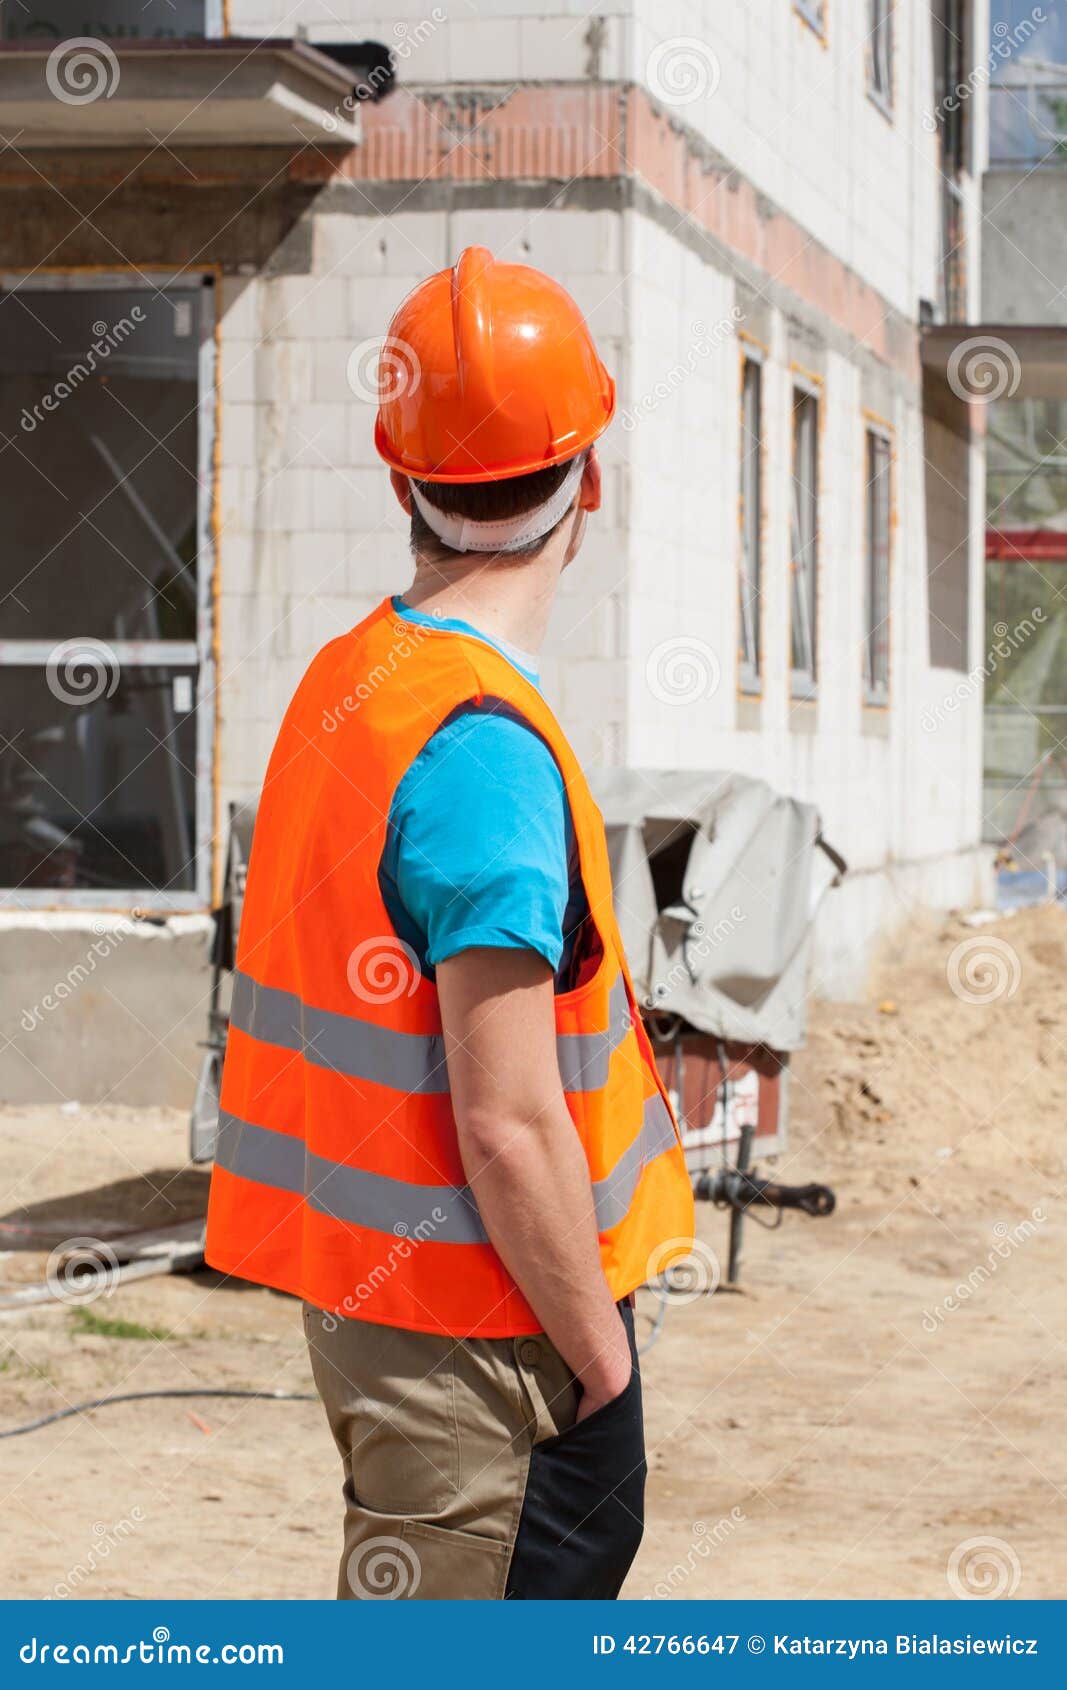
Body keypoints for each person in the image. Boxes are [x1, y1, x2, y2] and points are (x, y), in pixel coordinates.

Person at [205, 247, 695, 1600]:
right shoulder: (484, 749)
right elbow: (509, 1121)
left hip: (382, 1313)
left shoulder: (351, 679)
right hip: (491, 1343)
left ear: (398, 480)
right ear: (590, 481)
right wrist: (603, 1363)